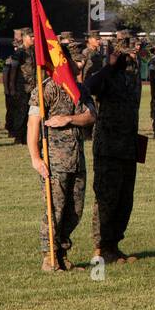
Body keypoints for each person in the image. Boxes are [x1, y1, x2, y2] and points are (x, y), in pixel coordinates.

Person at [27, 65, 96, 272]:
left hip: (76, 159)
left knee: (75, 209)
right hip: (54, 161)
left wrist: (69, 119)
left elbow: (92, 115)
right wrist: (35, 158)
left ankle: (62, 254)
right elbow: (33, 124)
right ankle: (49, 257)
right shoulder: (45, 88)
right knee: (54, 210)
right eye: (75, 61)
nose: (80, 65)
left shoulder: (80, 89)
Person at [85, 31, 141, 264]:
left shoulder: (133, 75)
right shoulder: (106, 75)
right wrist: (109, 67)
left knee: (124, 199)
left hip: (129, 144)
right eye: (126, 50)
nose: (133, 53)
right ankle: (101, 247)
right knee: (106, 198)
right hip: (109, 146)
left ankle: (114, 245)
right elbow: (87, 87)